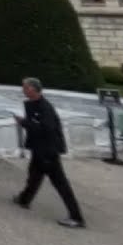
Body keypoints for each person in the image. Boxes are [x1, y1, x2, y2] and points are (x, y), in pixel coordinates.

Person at [13, 77, 85, 228]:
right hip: (39, 150)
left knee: (61, 184)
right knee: (34, 175)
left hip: (48, 151)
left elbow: (47, 130)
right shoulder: (34, 105)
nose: (23, 90)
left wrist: (24, 122)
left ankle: (76, 217)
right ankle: (24, 199)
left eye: (25, 88)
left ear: (32, 89)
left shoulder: (45, 108)